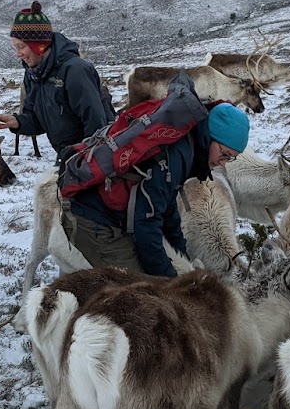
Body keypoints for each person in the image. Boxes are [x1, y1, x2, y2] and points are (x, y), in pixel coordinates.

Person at [62, 101, 251, 277]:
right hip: (93, 218)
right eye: (224, 154)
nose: (223, 164)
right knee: (141, 290)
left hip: (111, 213)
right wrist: (169, 280)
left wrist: (183, 256)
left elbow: (166, 208)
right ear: (211, 136)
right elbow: (147, 223)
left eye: (230, 158)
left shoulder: (186, 146)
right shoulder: (176, 156)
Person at [0, 1, 115, 159]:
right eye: (15, 47)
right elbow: (37, 121)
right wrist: (15, 122)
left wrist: (85, 164)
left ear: (38, 46)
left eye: (21, 47)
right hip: (69, 156)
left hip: (93, 156)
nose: (18, 54)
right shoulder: (34, 75)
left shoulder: (74, 71)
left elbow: (96, 125)